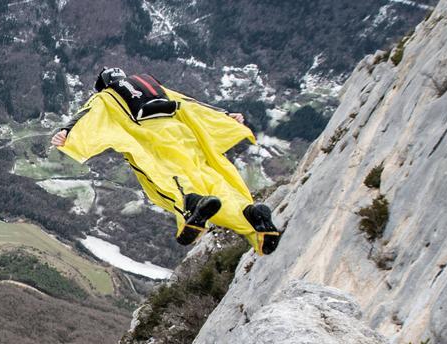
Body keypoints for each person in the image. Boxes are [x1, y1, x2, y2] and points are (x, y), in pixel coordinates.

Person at [51, 68, 281, 255]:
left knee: (169, 182)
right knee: (209, 176)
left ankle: (191, 207)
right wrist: (224, 116)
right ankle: (251, 217)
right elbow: (190, 103)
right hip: (183, 136)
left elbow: (86, 114)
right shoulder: (151, 86)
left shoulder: (105, 96)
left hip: (152, 143)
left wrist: (66, 133)